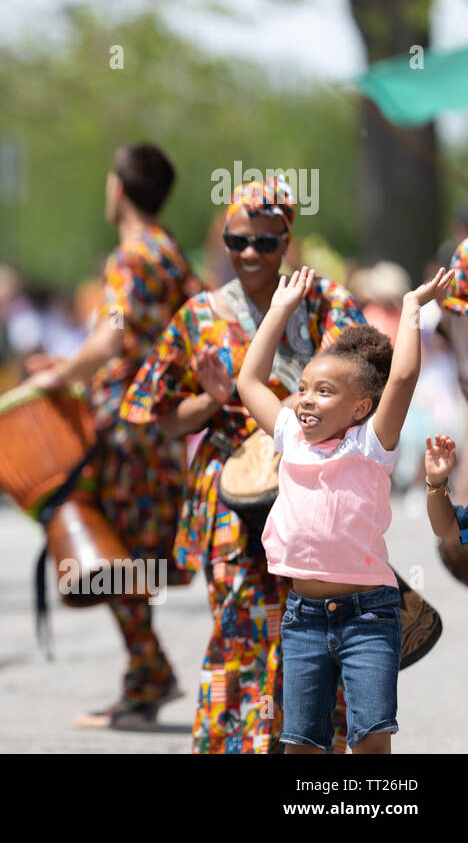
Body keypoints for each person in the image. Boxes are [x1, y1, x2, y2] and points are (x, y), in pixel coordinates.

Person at [123, 178, 364, 753]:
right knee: (241, 625)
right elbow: (156, 416)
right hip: (234, 491)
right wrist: (209, 399)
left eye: (265, 242)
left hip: (317, 490)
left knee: (318, 625)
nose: (250, 254)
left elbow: (369, 387)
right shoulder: (201, 316)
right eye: (238, 242)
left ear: (288, 240)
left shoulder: (326, 302)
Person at [237, 266, 451, 753]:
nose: (307, 399)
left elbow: (405, 374)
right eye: (305, 388)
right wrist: (278, 311)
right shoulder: (291, 436)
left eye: (325, 391)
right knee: (301, 743)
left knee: (371, 740)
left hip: (368, 618)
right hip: (303, 618)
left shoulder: (371, 446)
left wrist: (413, 310)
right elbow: (250, 381)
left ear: (360, 408)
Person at [24, 143, 200, 727]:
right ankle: (145, 674)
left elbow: (110, 340)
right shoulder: (172, 253)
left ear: (118, 190)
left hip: (124, 423)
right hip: (160, 421)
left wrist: (59, 372)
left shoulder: (129, 257)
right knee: (133, 552)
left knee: (113, 551)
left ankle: (149, 672)